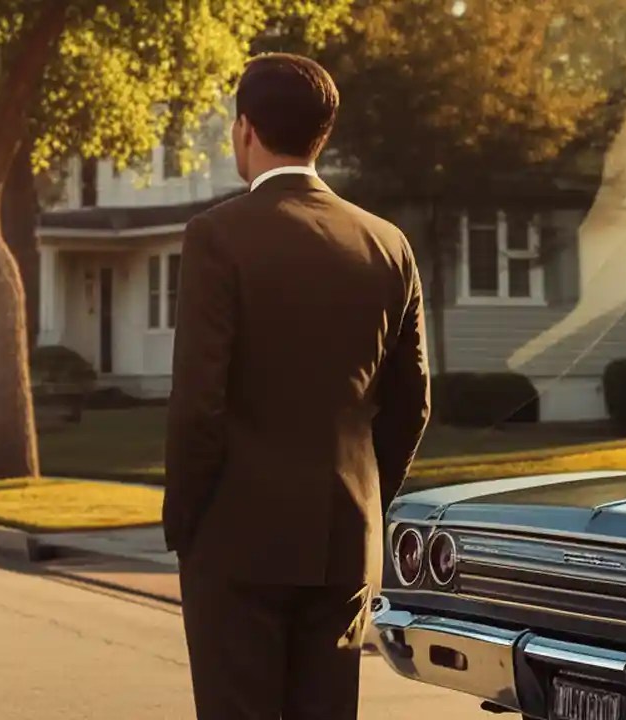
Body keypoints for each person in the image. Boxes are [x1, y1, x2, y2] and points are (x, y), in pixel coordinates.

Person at [163, 53, 431, 720]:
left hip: (235, 540)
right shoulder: (387, 244)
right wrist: (367, 498)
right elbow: (412, 403)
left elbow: (199, 402)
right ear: (323, 134)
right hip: (344, 539)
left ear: (245, 129)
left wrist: (185, 523)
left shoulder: (216, 238)